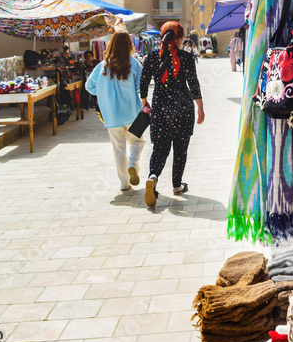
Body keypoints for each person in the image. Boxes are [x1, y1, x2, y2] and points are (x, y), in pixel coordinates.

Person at [140, 20, 205, 206]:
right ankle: (177, 185)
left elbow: (143, 83)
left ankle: (153, 176)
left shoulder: (152, 57)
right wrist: (200, 107)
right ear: (180, 38)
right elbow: (193, 83)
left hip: (160, 108)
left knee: (160, 148)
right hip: (183, 109)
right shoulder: (186, 58)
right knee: (180, 148)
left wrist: (145, 104)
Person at [85, 32, 144, 192]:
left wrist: (103, 93)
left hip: (111, 115)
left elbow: (89, 86)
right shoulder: (134, 64)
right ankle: (133, 164)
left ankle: (124, 183)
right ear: (129, 45)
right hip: (133, 113)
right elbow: (141, 87)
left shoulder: (102, 66)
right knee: (137, 142)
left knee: (119, 149)